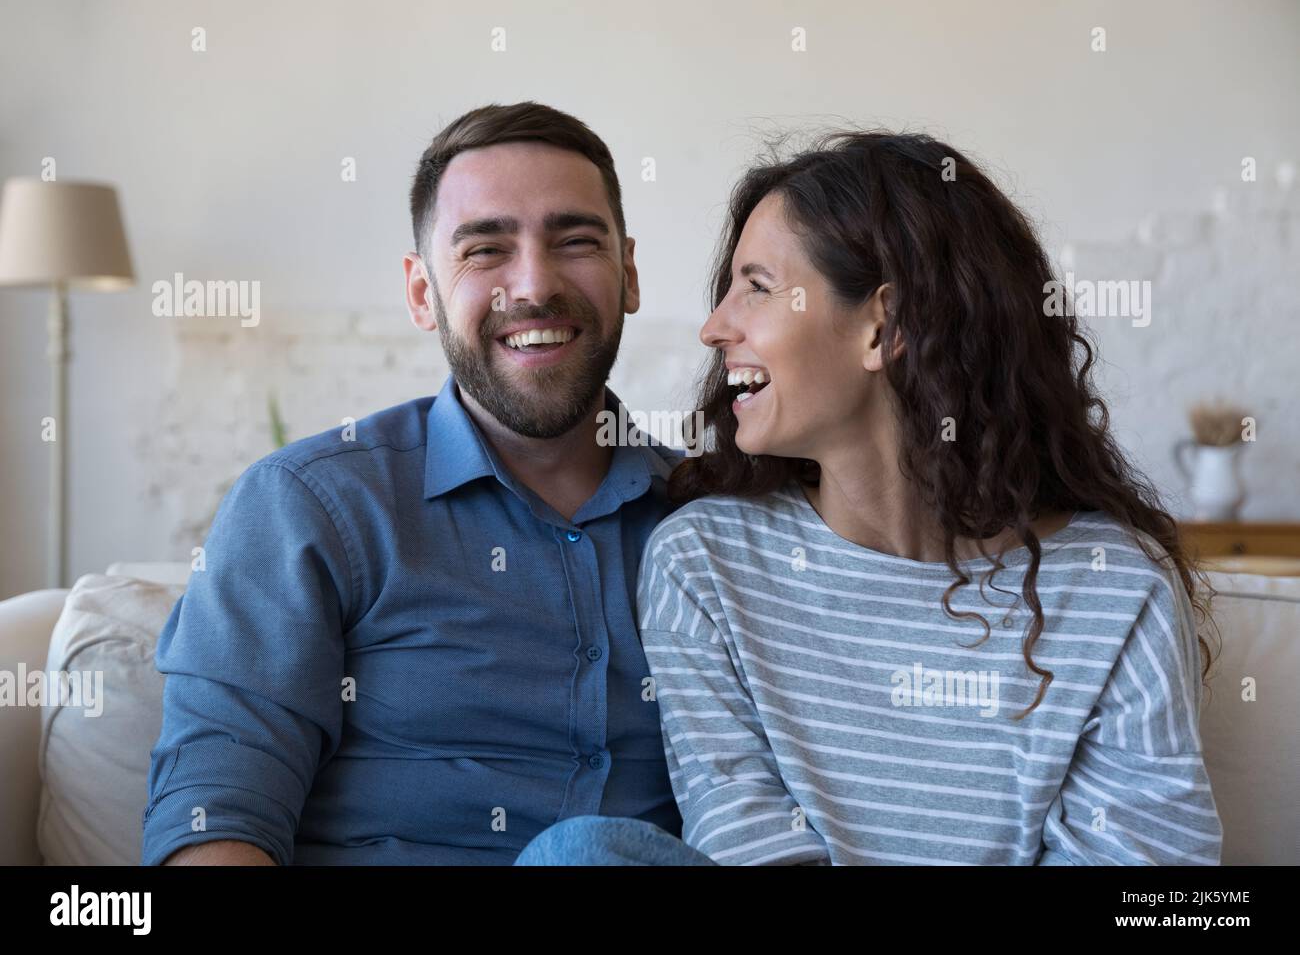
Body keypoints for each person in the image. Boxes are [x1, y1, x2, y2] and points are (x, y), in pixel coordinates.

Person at [516, 130, 1223, 866]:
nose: (714, 327)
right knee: (582, 855)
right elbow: (748, 843)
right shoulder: (707, 563)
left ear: (884, 326)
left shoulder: (1118, 589)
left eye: (757, 287)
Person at [142, 101, 685, 865]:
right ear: (422, 292)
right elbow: (215, 815)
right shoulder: (308, 507)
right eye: (485, 249)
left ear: (627, 272)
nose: (533, 285)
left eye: (575, 241)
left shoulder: (711, 520)